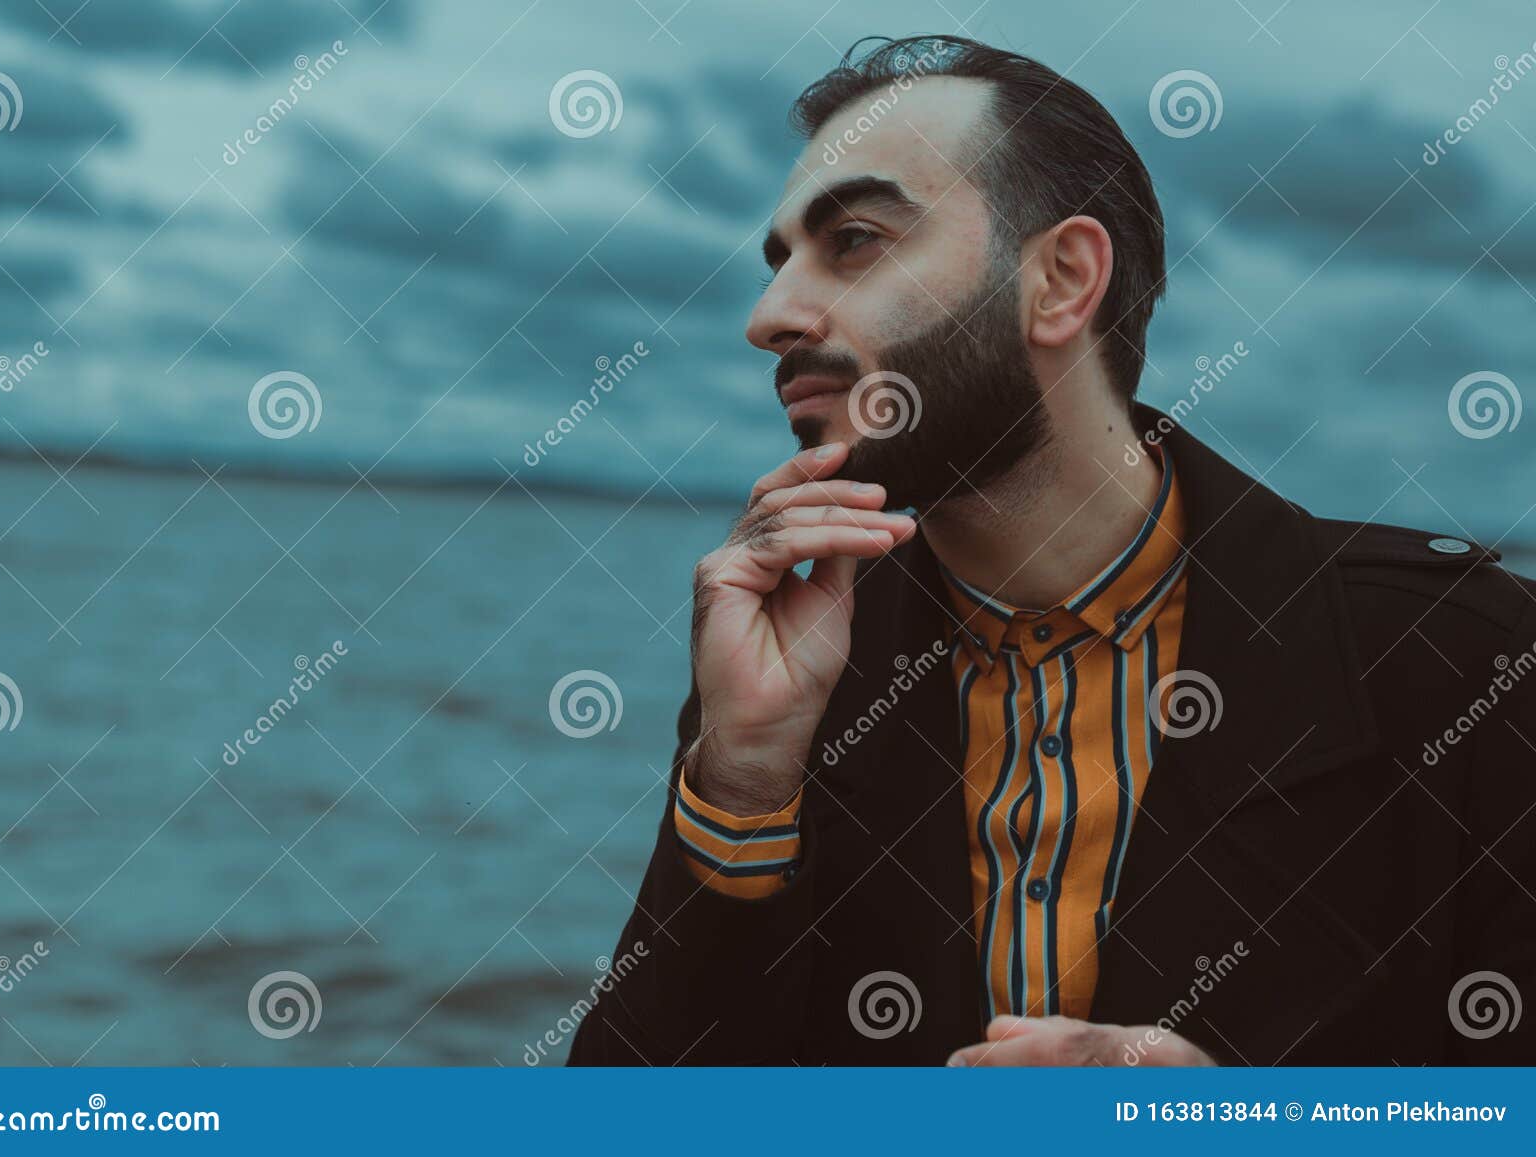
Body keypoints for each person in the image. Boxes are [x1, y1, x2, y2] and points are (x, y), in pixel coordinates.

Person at [569, 35, 1536, 1066]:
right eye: (779, 264)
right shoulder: (795, 676)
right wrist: (743, 778)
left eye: (852, 238)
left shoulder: (1464, 660)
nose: (769, 318)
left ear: (1061, 280)